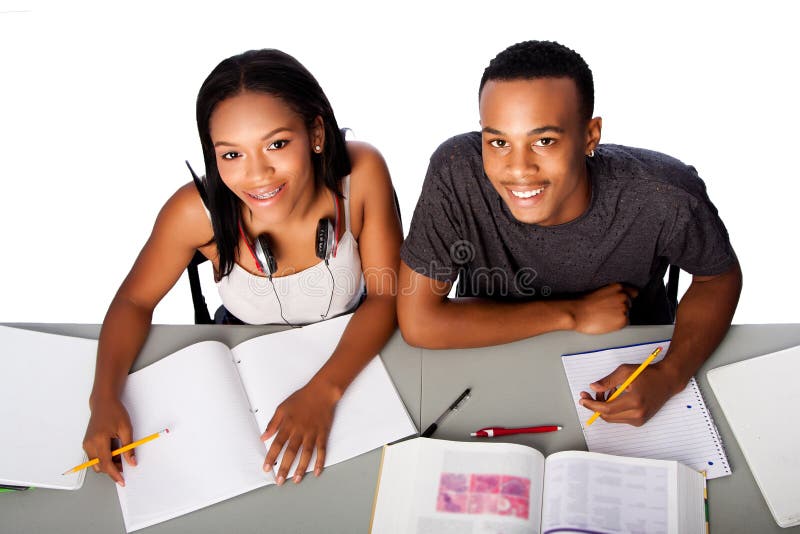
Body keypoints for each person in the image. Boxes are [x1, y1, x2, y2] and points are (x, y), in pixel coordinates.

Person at [83, 49, 402, 487]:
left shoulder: (362, 172)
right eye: (231, 155)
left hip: (351, 349)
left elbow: (387, 294)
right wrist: (103, 398)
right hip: (247, 365)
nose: (257, 176)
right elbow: (134, 301)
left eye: (276, 144)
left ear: (315, 133)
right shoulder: (193, 213)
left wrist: (323, 392)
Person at [397, 40, 742, 427]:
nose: (519, 169)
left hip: (623, 358)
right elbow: (419, 322)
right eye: (498, 142)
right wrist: (572, 314)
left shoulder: (662, 195)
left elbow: (718, 278)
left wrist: (671, 375)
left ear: (590, 135)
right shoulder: (458, 172)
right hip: (488, 354)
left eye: (543, 141)